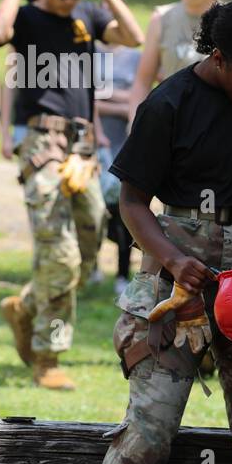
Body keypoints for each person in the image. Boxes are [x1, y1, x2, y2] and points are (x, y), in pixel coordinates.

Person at [92, 0, 232, 464]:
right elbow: (133, 203)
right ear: (219, 57)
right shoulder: (168, 104)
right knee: (149, 428)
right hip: (178, 286)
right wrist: (171, 259)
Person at [0, 0, 143, 390]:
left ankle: (27, 305)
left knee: (90, 240)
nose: (69, 0)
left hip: (81, 147)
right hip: (42, 144)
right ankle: (47, 355)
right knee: (59, 253)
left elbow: (134, 37)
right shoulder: (28, 18)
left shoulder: (88, 16)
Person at [126, 0, 226, 125]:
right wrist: (135, 126)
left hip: (216, 123)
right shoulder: (161, 18)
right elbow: (142, 81)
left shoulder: (231, 19)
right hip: (170, 121)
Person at [94, 42, 142, 292]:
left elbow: (143, 97)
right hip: (96, 148)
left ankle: (123, 274)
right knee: (93, 214)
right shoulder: (90, 51)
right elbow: (85, 97)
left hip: (124, 148)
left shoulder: (137, 56)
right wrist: (126, 103)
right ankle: (92, 268)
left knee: (124, 215)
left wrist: (104, 95)